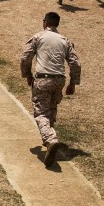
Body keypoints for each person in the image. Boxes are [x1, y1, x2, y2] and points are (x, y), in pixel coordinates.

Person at [20, 11, 81, 166]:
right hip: (59, 80)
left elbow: (25, 57)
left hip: (43, 79)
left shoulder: (38, 37)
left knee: (41, 112)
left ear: (45, 22)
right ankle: (49, 142)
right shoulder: (65, 40)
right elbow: (75, 63)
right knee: (52, 109)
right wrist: (73, 82)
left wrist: (27, 74)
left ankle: (50, 139)